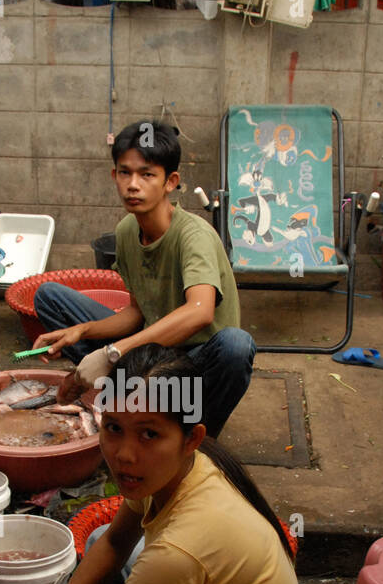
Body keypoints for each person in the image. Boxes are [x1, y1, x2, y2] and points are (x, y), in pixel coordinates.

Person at [57, 344, 306, 584]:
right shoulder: (171, 470)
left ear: (191, 439)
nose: (124, 455)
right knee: (99, 537)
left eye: (149, 434)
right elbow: (115, 543)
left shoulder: (178, 550)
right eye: (114, 428)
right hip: (193, 580)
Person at [32, 120, 255, 438]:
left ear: (170, 181)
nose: (133, 185)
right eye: (125, 173)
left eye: (147, 174)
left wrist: (112, 354)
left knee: (236, 345)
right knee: (49, 296)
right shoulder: (127, 231)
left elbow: (200, 311)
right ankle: (117, 395)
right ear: (114, 176)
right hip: (150, 347)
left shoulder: (194, 235)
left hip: (193, 363)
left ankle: (196, 436)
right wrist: (80, 331)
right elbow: (137, 312)